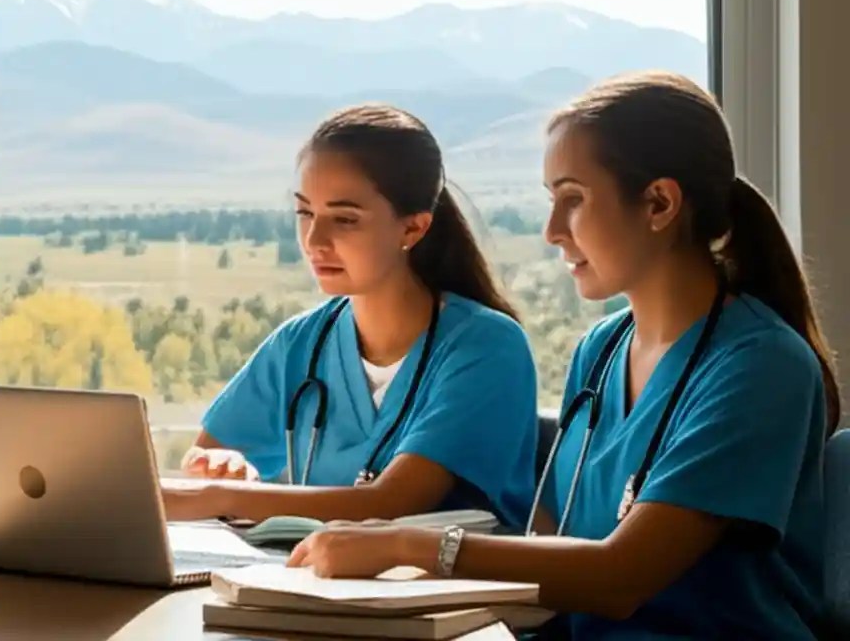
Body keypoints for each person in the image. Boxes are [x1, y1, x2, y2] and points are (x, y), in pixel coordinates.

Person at [288, 72, 840, 639]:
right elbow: (545, 554)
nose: (552, 231)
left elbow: (619, 578)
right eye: (551, 201)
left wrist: (406, 544)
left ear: (659, 202)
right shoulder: (599, 352)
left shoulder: (759, 366)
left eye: (573, 199)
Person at [161, 104, 539, 530]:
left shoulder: (486, 348)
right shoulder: (300, 345)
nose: (314, 240)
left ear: (413, 229)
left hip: (451, 595)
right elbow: (202, 464)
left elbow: (393, 503)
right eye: (305, 213)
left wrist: (222, 496)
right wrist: (220, 468)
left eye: (344, 219)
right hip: (311, 585)